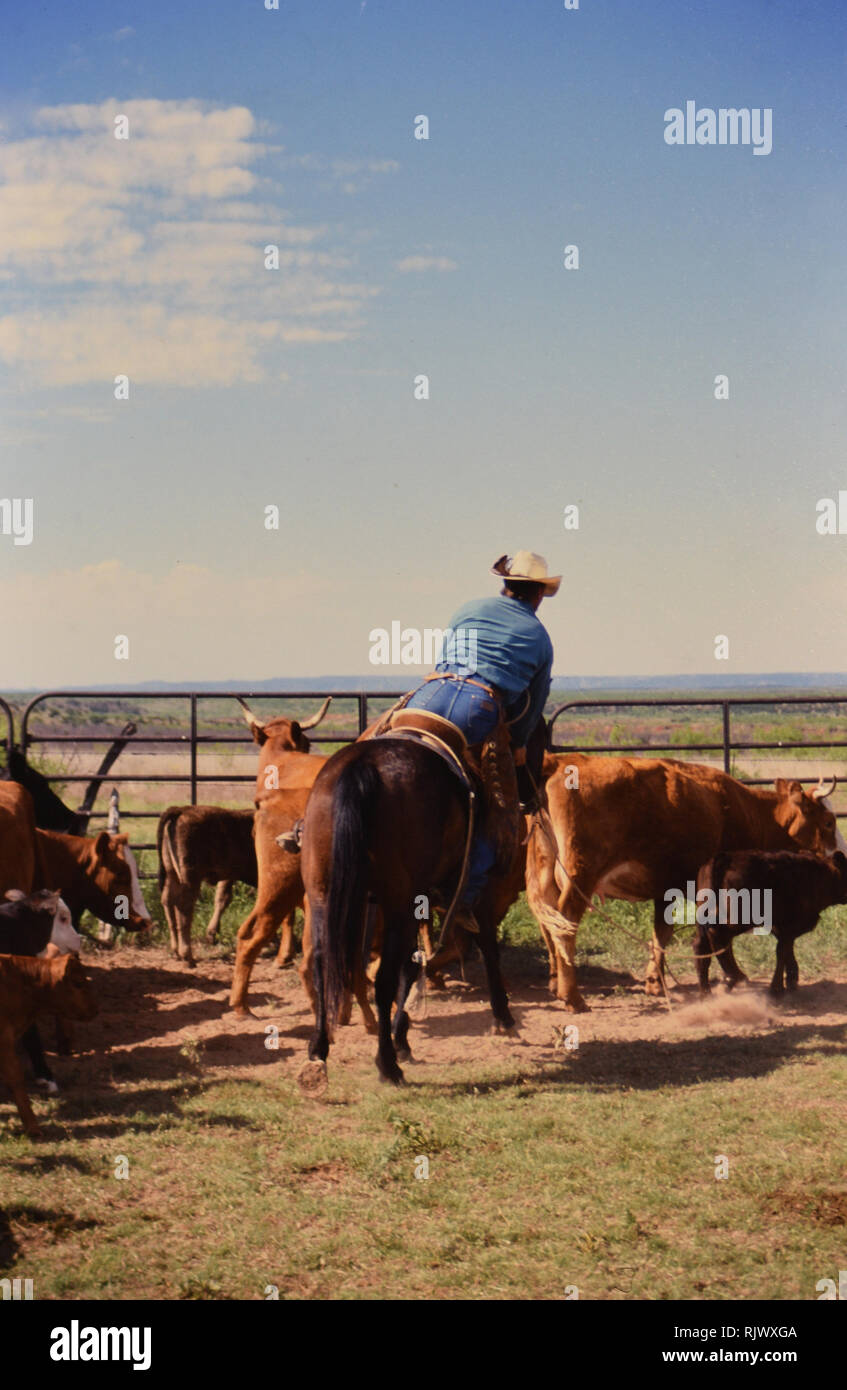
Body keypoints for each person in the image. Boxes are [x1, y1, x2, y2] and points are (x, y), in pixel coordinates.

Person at [403, 550, 560, 922]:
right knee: (501, 810)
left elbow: (443, 658)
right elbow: (534, 702)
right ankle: (461, 898)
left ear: (505, 584)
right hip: (477, 705)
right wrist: (520, 744)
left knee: (382, 735)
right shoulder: (539, 636)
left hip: (429, 692)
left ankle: (304, 827)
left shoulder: (468, 608)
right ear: (539, 594)